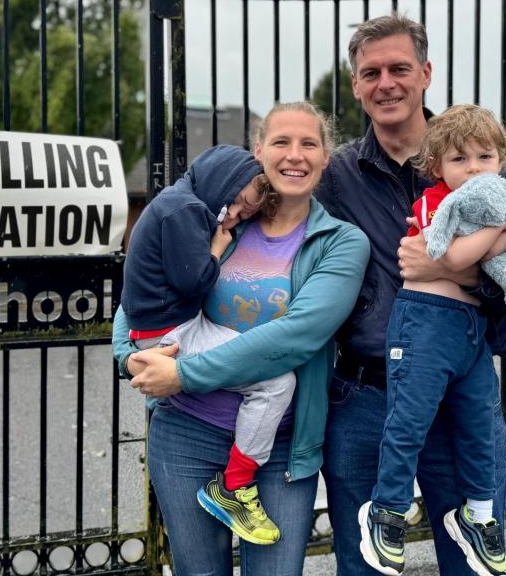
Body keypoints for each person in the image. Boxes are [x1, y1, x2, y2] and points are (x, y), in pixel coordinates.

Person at [113, 101, 370, 576]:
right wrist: (128, 355)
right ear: (258, 152)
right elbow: (142, 293)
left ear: (325, 157)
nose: (295, 155)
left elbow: (296, 337)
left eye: (309, 143)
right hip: (187, 431)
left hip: (280, 445)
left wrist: (182, 373)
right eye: (281, 142)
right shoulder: (226, 218)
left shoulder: (341, 242)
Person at [313, 13, 506, 576]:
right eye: (371, 73)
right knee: (365, 565)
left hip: (457, 392)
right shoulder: (336, 176)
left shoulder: (481, 163)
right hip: (365, 396)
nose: (386, 84)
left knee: (474, 563)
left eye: (399, 69)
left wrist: (451, 271)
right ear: (356, 85)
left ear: (426, 74)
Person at [358, 104, 506, 576]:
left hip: (472, 332)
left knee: (480, 429)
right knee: (408, 421)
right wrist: (503, 229)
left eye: (485, 157)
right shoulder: (437, 201)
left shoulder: (505, 200)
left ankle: (479, 516)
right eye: (459, 159)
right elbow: (452, 257)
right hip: (426, 324)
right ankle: (387, 511)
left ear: (501, 161)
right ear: (437, 167)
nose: (473, 169)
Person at [119, 143, 296, 545]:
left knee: (260, 362)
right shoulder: (184, 210)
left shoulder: (181, 204)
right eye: (238, 202)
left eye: (245, 215)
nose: (233, 217)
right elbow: (193, 281)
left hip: (174, 327)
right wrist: (217, 248)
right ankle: (234, 486)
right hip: (171, 335)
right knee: (276, 382)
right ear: (225, 180)